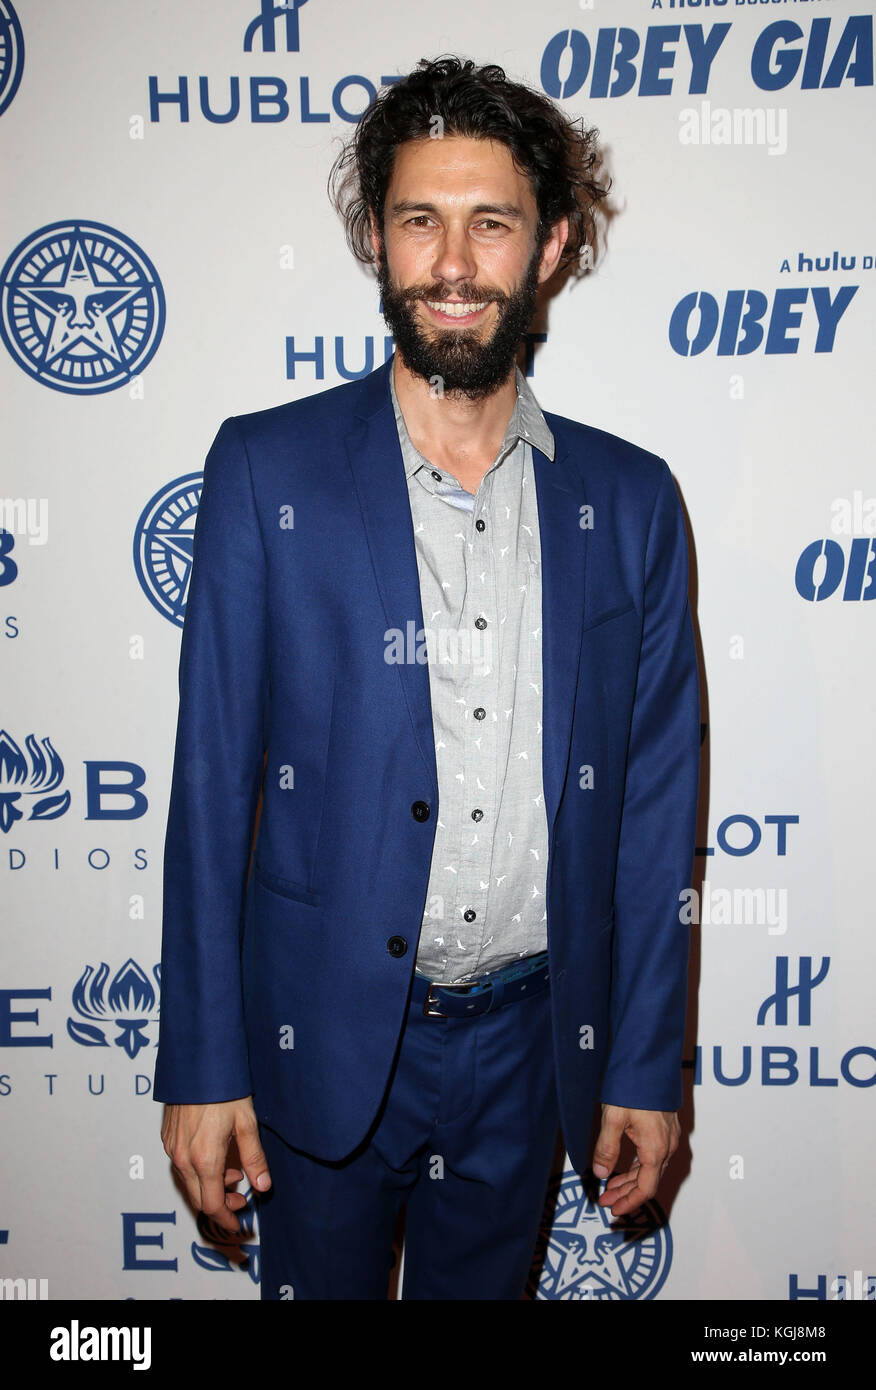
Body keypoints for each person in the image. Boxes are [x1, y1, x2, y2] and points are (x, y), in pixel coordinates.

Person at [154, 56, 701, 1301]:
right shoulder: (264, 470)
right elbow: (209, 784)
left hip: (527, 1052)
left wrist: (643, 1067)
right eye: (419, 220)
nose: (453, 262)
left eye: (491, 221)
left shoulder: (630, 503)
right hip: (323, 1036)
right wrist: (200, 1058)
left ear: (550, 246)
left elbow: (656, 810)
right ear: (375, 238)